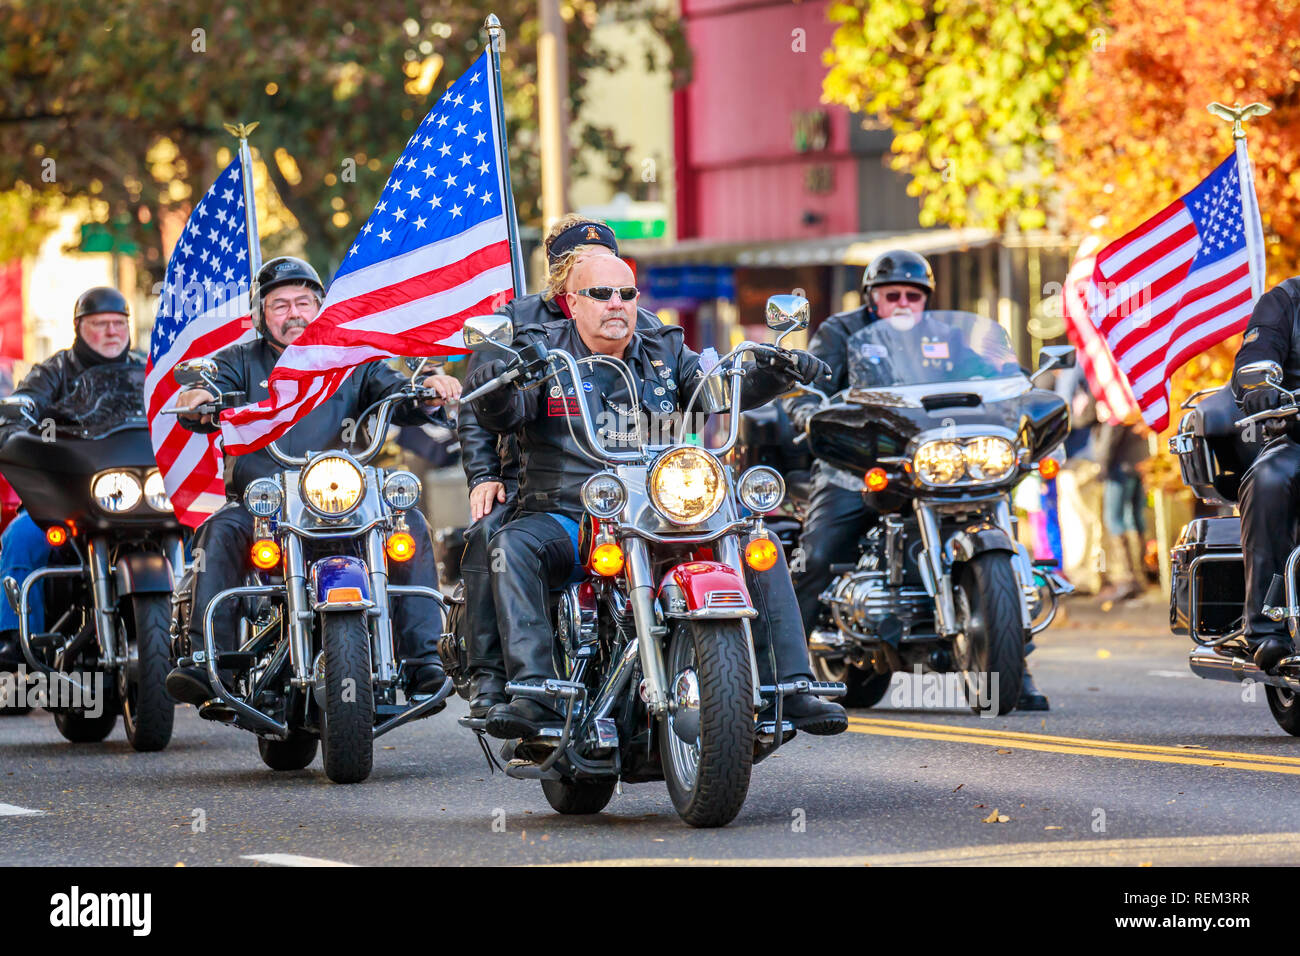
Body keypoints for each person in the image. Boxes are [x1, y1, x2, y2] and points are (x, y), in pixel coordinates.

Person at [466, 253, 846, 740]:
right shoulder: (543, 354)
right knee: (512, 547)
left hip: (666, 507)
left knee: (758, 542)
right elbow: (507, 412)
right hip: (571, 513)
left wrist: (775, 373)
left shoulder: (666, 348)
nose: (616, 304)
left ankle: (790, 683)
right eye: (601, 294)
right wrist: (493, 390)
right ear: (571, 303)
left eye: (626, 294)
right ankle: (536, 692)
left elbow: (715, 393)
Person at [165, 256, 462, 704]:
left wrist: (429, 392)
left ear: (321, 307)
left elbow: (397, 394)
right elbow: (203, 397)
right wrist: (199, 397)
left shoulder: (353, 357)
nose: (294, 313)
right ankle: (210, 663)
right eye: (280, 304)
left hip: (347, 502)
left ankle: (424, 660)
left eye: (304, 302)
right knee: (220, 530)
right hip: (263, 506)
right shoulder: (239, 362)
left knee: (409, 523)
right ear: (260, 315)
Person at [782, 249, 1050, 710]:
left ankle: (1013, 668)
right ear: (872, 298)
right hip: (860, 466)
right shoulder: (840, 332)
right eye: (893, 295)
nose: (904, 303)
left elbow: (1000, 376)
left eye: (913, 295)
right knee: (820, 553)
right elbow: (807, 388)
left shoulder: (951, 337)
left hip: (938, 462)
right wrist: (810, 412)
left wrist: (1021, 389)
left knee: (1000, 530)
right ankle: (785, 679)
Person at [457, 215, 663, 718]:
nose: (613, 297)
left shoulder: (647, 326)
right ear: (563, 279)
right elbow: (479, 404)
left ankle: (773, 680)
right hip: (525, 463)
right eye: (581, 268)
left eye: (617, 281)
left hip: (628, 477)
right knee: (492, 534)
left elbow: (695, 389)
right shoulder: (518, 322)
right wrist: (484, 474)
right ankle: (491, 674)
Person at [0, 287, 141, 671]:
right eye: (100, 324)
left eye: (119, 323)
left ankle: (205, 637)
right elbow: (26, 403)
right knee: (21, 537)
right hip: (71, 498)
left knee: (199, 529)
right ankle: (15, 641)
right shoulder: (55, 371)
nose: (112, 332)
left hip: (140, 495)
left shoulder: (147, 368)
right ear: (80, 328)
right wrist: (18, 415)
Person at [1231, 276, 1300, 672]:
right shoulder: (1284, 301)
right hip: (1295, 439)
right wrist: (1260, 382)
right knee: (1269, 479)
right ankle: (1265, 627)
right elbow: (1256, 356)